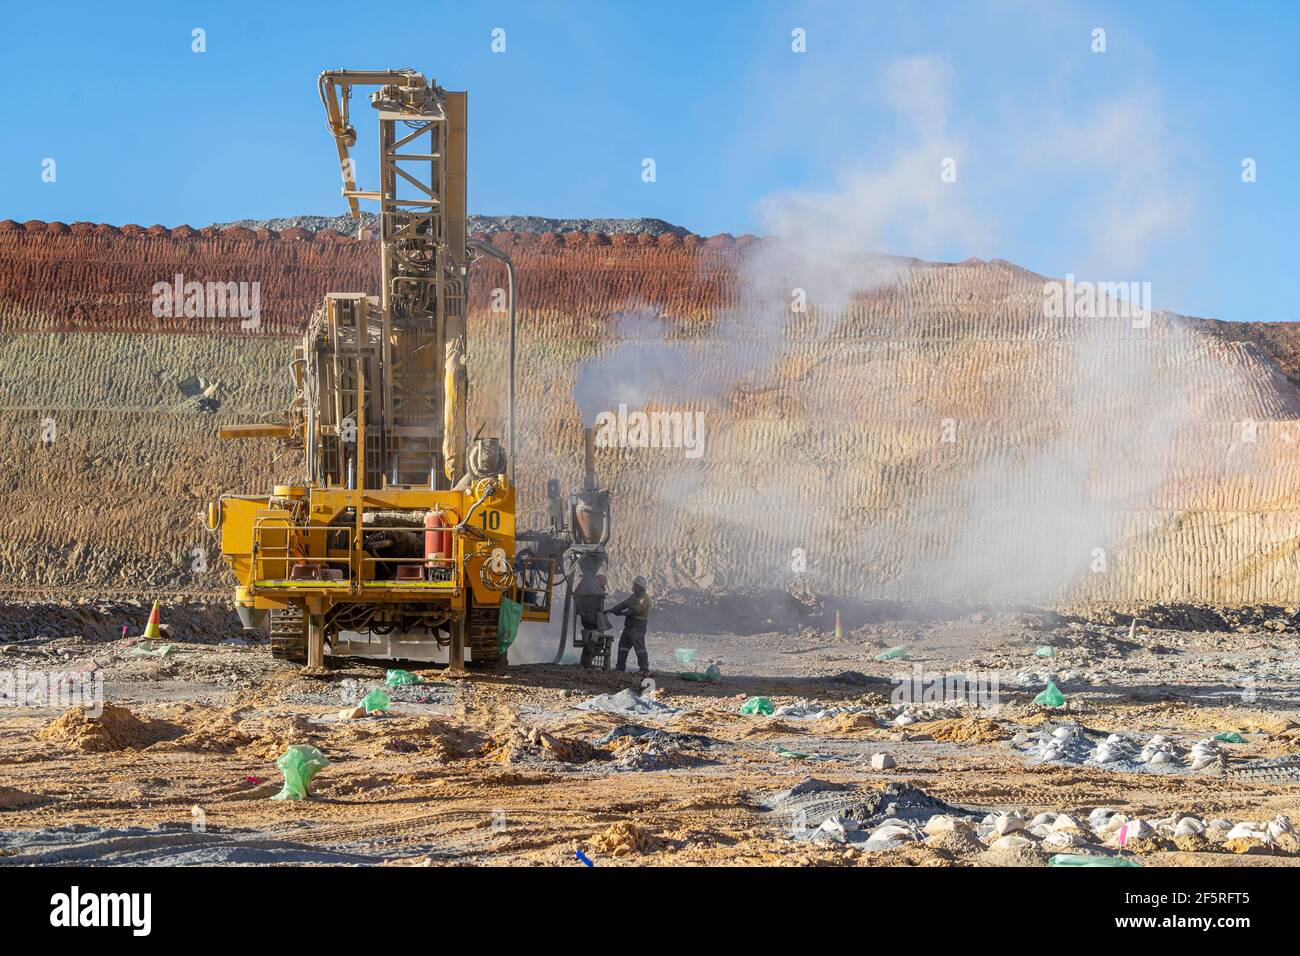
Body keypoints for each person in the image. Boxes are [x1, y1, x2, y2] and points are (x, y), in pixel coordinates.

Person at [608, 576, 651, 674]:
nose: (633, 587)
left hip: (638, 627)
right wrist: (612, 610)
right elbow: (624, 604)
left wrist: (620, 613)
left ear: (639, 587)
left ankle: (644, 669)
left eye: (635, 585)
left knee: (639, 648)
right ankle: (620, 668)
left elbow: (633, 611)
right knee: (623, 646)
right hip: (629, 626)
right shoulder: (634, 596)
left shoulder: (643, 599)